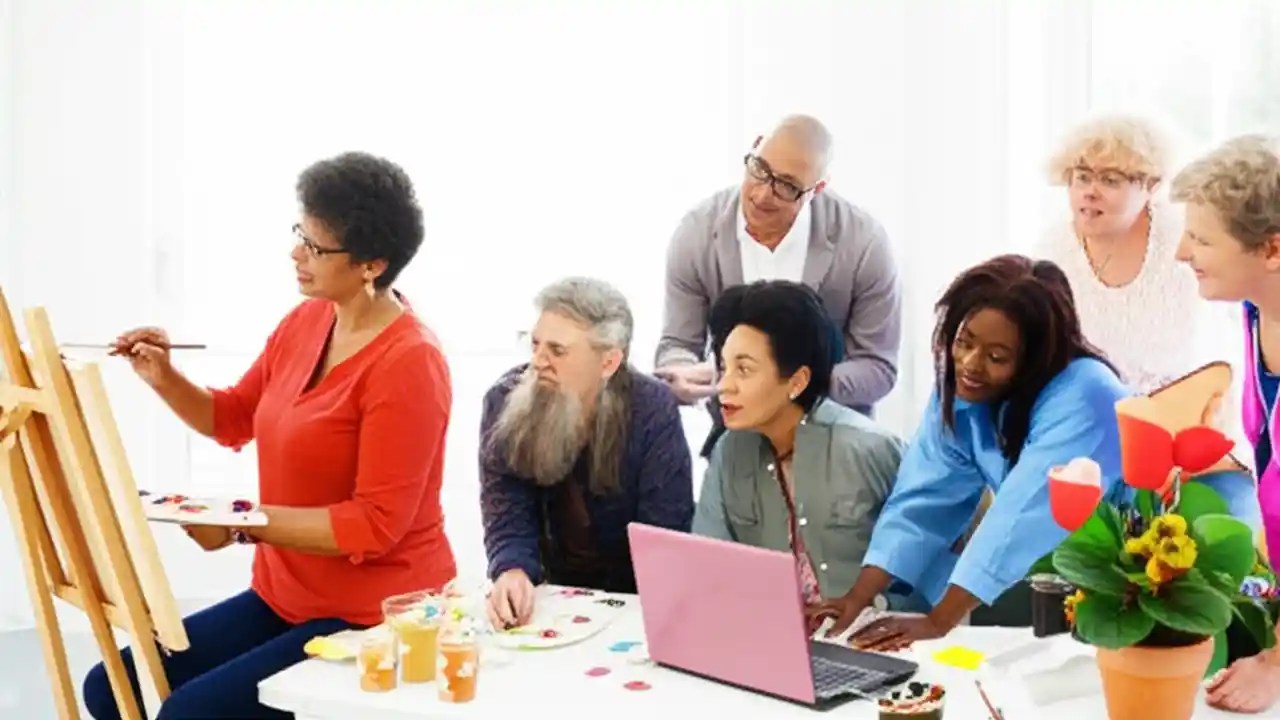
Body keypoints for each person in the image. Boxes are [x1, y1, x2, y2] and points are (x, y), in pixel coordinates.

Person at [81, 152, 455, 720]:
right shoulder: (309, 319)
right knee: (111, 686)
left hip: (374, 613)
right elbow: (233, 417)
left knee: (188, 715)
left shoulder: (410, 363)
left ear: (372, 265)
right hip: (286, 595)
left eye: (316, 247)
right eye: (299, 235)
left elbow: (374, 525)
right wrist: (163, 376)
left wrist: (240, 525)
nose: (296, 253)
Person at [809, 255, 1131, 649]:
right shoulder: (963, 387)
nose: (970, 365)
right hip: (1067, 571)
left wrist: (939, 621)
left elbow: (1022, 513)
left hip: (1150, 564)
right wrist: (857, 599)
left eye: (996, 357)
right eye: (963, 342)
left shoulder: (1087, 395)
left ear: (1036, 360)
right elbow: (923, 497)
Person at [655, 114, 902, 455]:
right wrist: (687, 374)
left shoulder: (864, 243)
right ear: (755, 146)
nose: (761, 194)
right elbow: (678, 344)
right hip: (734, 444)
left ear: (816, 190)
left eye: (786, 186)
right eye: (759, 169)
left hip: (836, 447)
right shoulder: (697, 233)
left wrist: (791, 384)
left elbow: (878, 368)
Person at [691, 280, 919, 610]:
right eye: (724, 367)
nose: (724, 385)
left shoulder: (870, 449)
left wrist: (882, 609)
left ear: (797, 381)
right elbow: (707, 563)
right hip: (766, 631)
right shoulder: (729, 450)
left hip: (868, 633)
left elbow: (934, 558)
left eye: (744, 369)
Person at [480, 277, 693, 629]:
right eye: (535, 344)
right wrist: (512, 569)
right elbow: (506, 506)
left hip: (636, 602)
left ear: (609, 362)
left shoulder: (651, 409)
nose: (538, 362)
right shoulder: (504, 400)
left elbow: (665, 535)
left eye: (557, 350)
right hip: (548, 594)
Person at [1171, 133, 1280, 714]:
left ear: (1271, 249)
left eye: (1202, 239)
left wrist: (1278, 664)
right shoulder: (1257, 311)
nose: (1180, 253)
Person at [1034, 113, 1243, 397]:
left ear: (1151, 186)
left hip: (1186, 405)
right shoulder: (1052, 248)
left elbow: (1221, 338)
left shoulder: (1183, 237)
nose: (1090, 192)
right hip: (1087, 407)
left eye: (1110, 180)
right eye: (1082, 177)